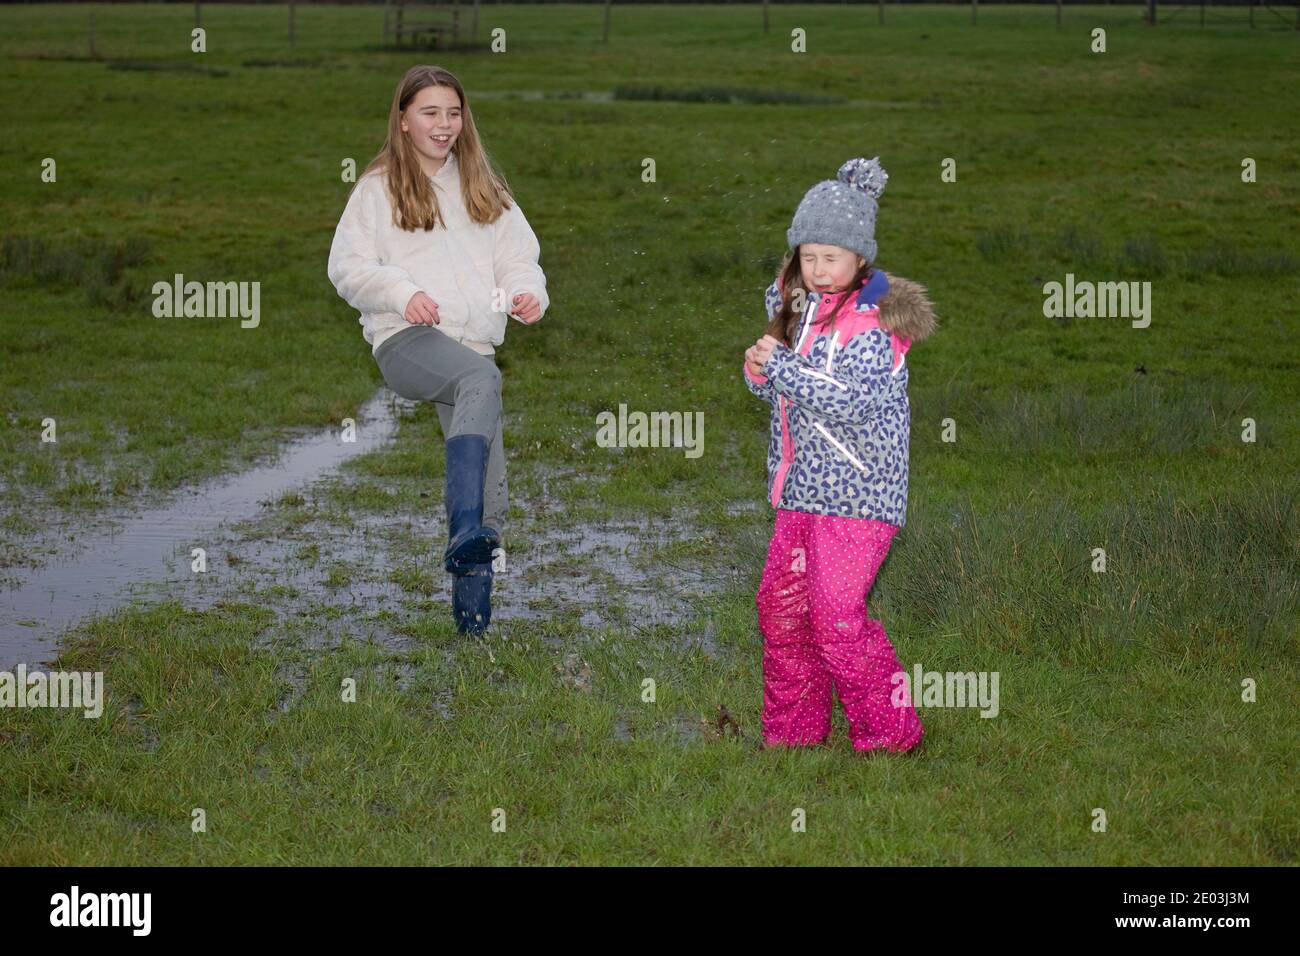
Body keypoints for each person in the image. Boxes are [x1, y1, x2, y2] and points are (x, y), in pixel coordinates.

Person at [327, 64, 548, 634]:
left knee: (491, 499)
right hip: (408, 341)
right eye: (430, 112)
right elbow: (347, 268)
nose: (444, 124)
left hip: (473, 348)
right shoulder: (377, 188)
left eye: (453, 112)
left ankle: (471, 625)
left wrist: (527, 292)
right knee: (481, 381)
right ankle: (468, 532)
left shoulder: (484, 185)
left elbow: (518, 257)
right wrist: (403, 293)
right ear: (403, 120)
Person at [743, 157, 937, 753]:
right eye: (808, 256)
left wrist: (782, 368)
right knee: (783, 609)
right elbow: (791, 393)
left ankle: (889, 734)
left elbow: (849, 404)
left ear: (860, 261)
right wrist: (761, 375)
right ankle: (796, 732)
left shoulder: (874, 325)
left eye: (833, 258)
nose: (819, 270)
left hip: (860, 500)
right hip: (801, 493)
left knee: (836, 617)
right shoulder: (802, 313)